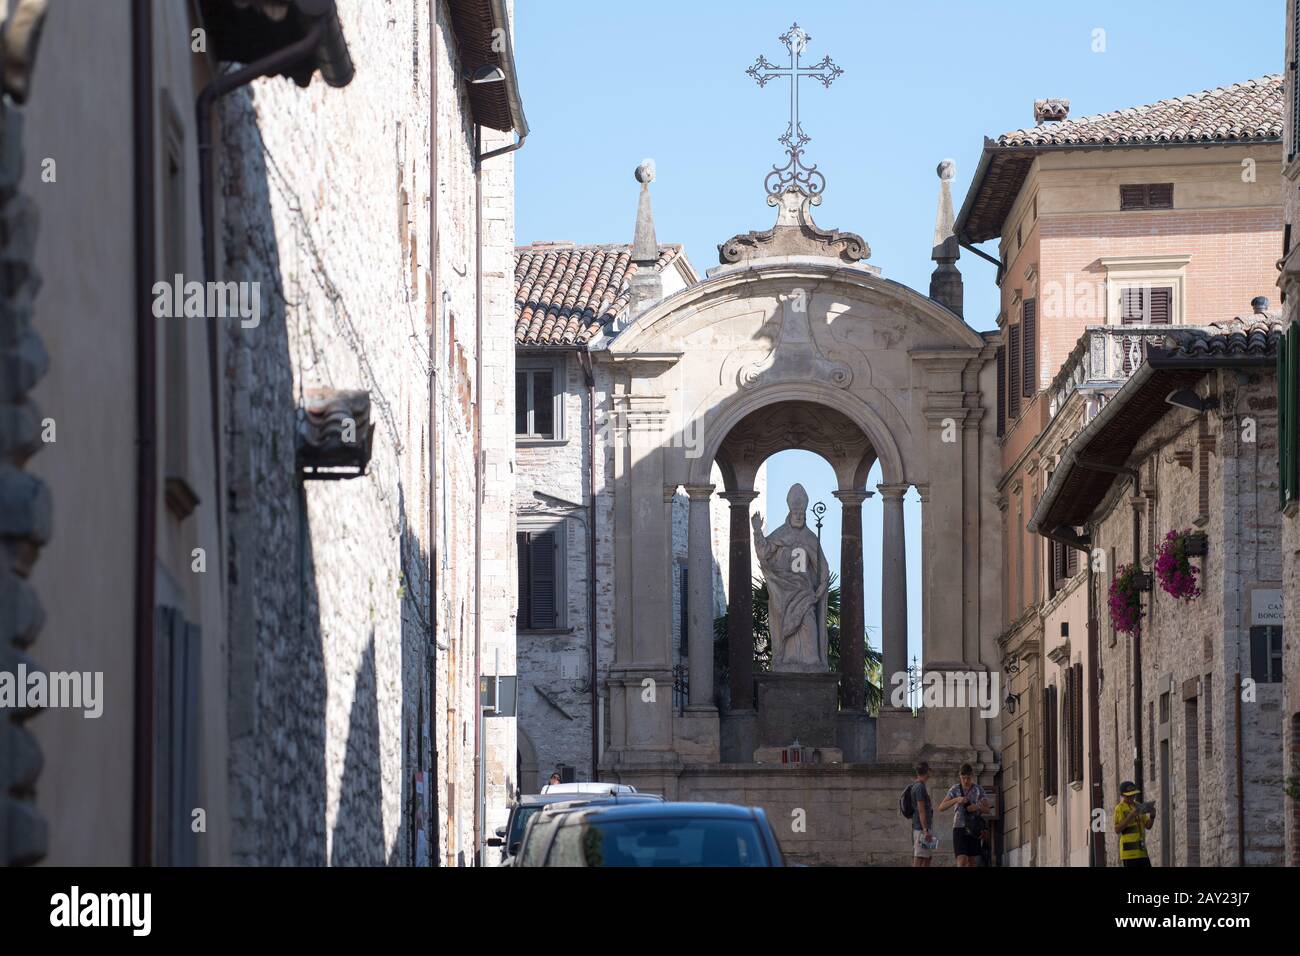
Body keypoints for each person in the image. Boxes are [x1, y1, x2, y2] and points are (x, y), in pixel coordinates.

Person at [937, 763, 991, 867]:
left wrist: (977, 807)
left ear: (972, 776)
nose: (966, 781)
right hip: (959, 827)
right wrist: (956, 799)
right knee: (961, 860)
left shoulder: (978, 789)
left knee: (972, 861)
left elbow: (988, 809)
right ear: (960, 776)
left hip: (973, 828)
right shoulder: (955, 789)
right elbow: (941, 807)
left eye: (968, 778)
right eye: (963, 778)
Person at [1113, 780, 1155, 867]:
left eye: (1133, 795)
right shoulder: (1119, 808)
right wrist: (1131, 816)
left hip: (1142, 851)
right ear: (1122, 795)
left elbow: (1148, 826)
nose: (1132, 797)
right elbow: (1117, 829)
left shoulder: (1138, 805)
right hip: (1129, 852)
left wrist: (1152, 816)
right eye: (1129, 796)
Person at [909, 761, 935, 867]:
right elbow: (921, 810)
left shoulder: (918, 785)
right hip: (921, 829)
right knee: (919, 857)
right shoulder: (919, 787)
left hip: (924, 827)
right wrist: (925, 830)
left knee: (927, 857)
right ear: (927, 771)